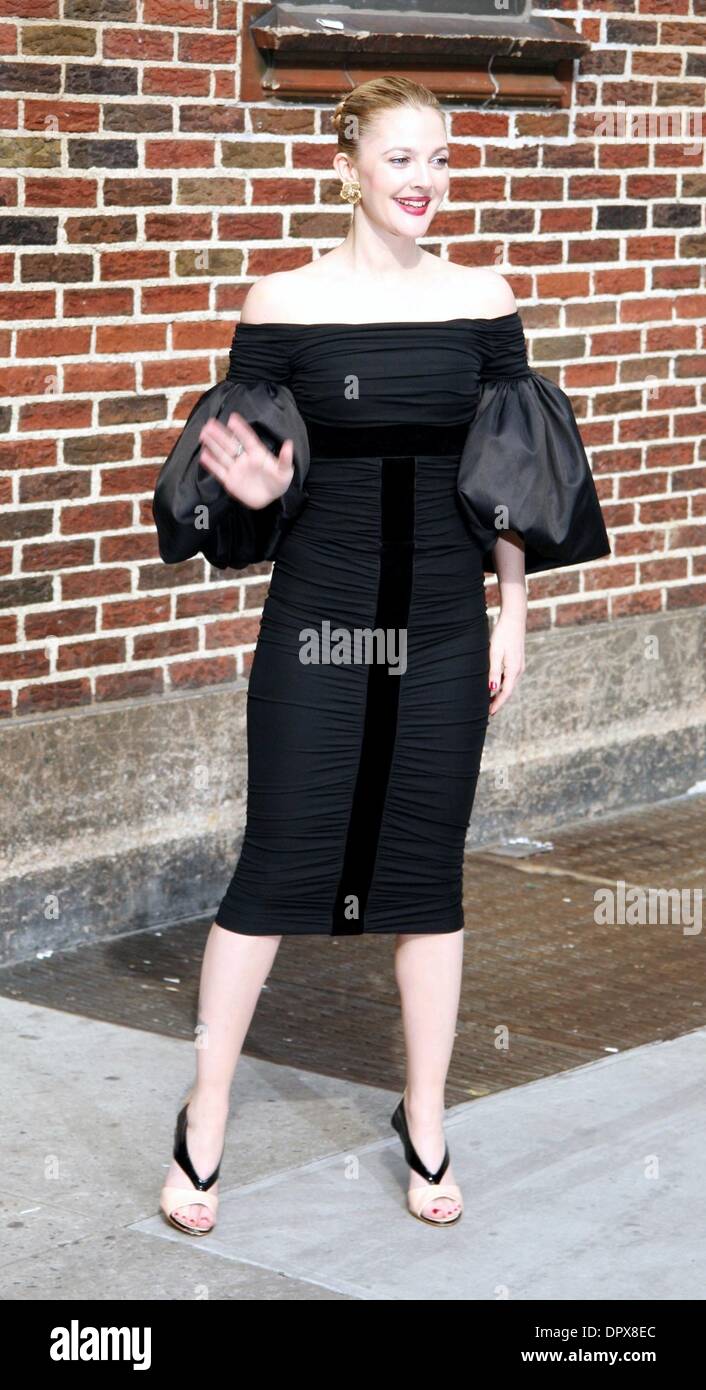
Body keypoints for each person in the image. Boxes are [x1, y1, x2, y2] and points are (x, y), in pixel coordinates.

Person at [154, 75, 611, 1235]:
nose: (425, 183)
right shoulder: (285, 302)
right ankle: (204, 1116)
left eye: (442, 161)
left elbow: (509, 477)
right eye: (403, 159)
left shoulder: (481, 299)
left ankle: (423, 1117)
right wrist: (256, 486)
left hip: (446, 630)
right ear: (350, 164)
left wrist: (512, 612)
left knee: (425, 874)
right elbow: (246, 482)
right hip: (317, 619)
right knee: (273, 862)